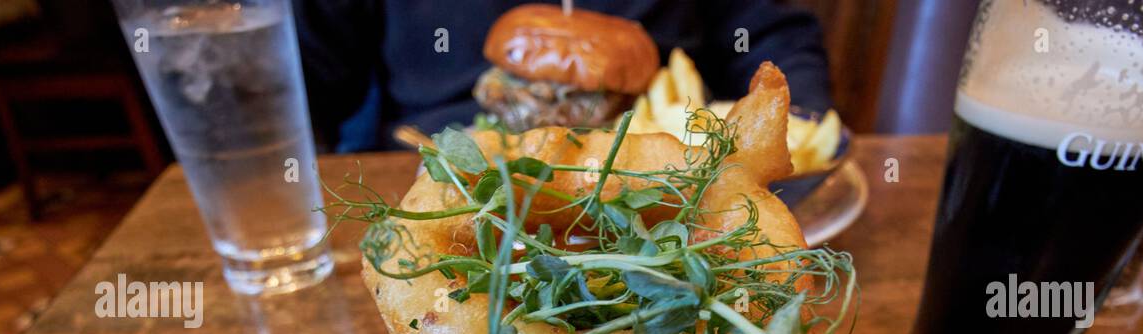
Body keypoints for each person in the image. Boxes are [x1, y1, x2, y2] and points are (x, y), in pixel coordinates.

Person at [291, 0, 833, 150]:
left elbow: (771, 34)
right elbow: (303, 80)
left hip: (652, 157)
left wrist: (794, 133)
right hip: (433, 154)